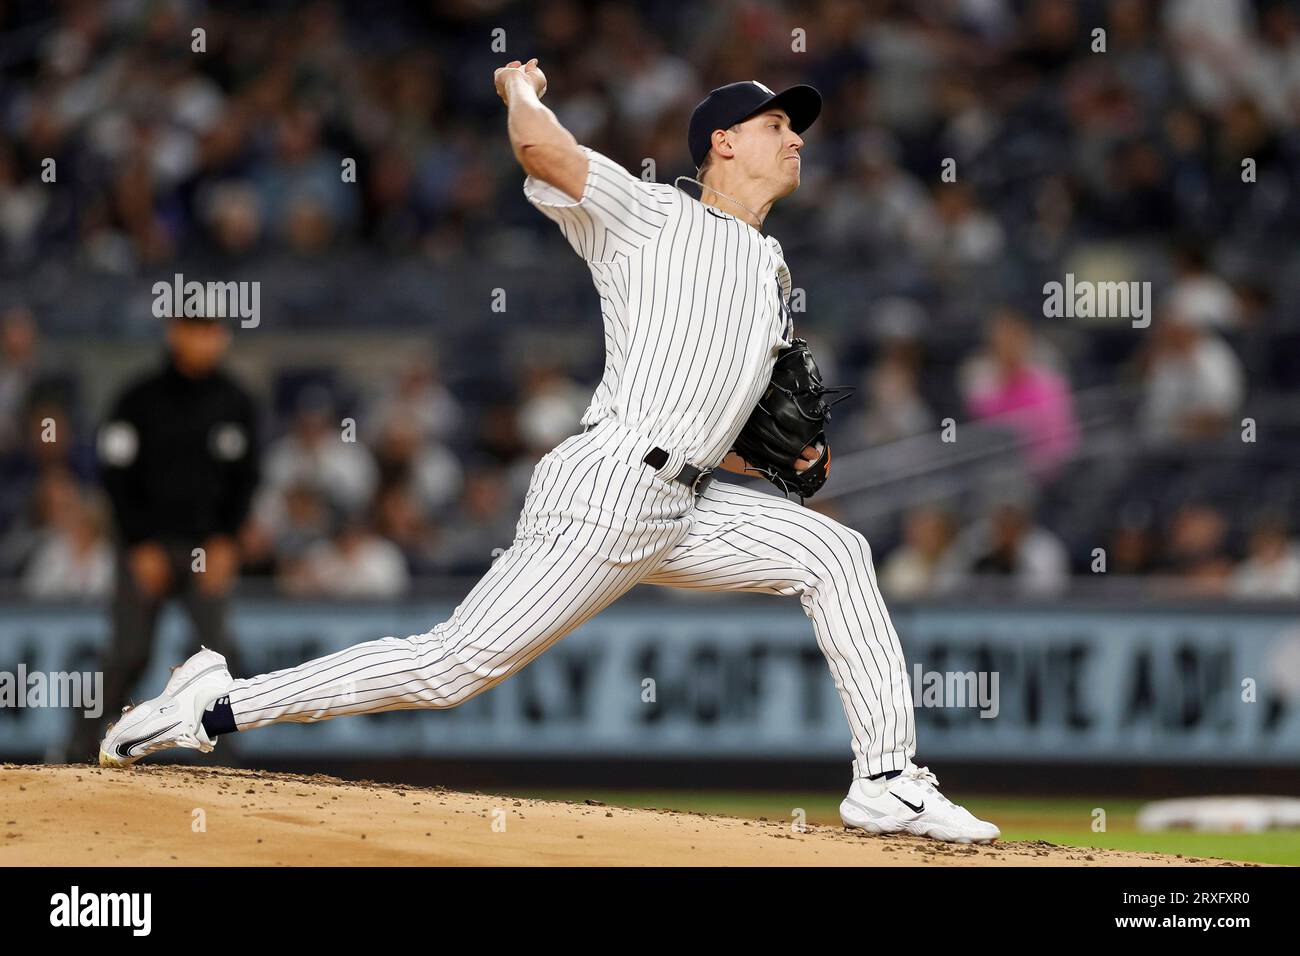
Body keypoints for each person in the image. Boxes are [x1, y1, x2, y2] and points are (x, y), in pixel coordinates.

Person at [98, 61, 999, 845]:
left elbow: (726, 410)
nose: (795, 138)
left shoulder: (770, 270)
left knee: (834, 552)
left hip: (685, 503)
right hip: (610, 492)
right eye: (777, 125)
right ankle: (212, 704)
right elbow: (542, 152)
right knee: (449, 668)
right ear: (723, 143)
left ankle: (886, 782)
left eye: (795, 127)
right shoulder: (651, 215)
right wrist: (519, 87)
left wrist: (784, 465)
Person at [68, 312, 259, 759]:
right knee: (128, 654)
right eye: (198, 330)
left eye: (215, 331)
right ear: (176, 333)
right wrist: (138, 543)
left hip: (207, 548)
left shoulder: (236, 402)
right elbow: (114, 474)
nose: (207, 341)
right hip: (147, 546)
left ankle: (226, 767)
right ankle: (75, 754)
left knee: (217, 658)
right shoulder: (138, 399)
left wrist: (227, 540)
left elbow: (248, 477)